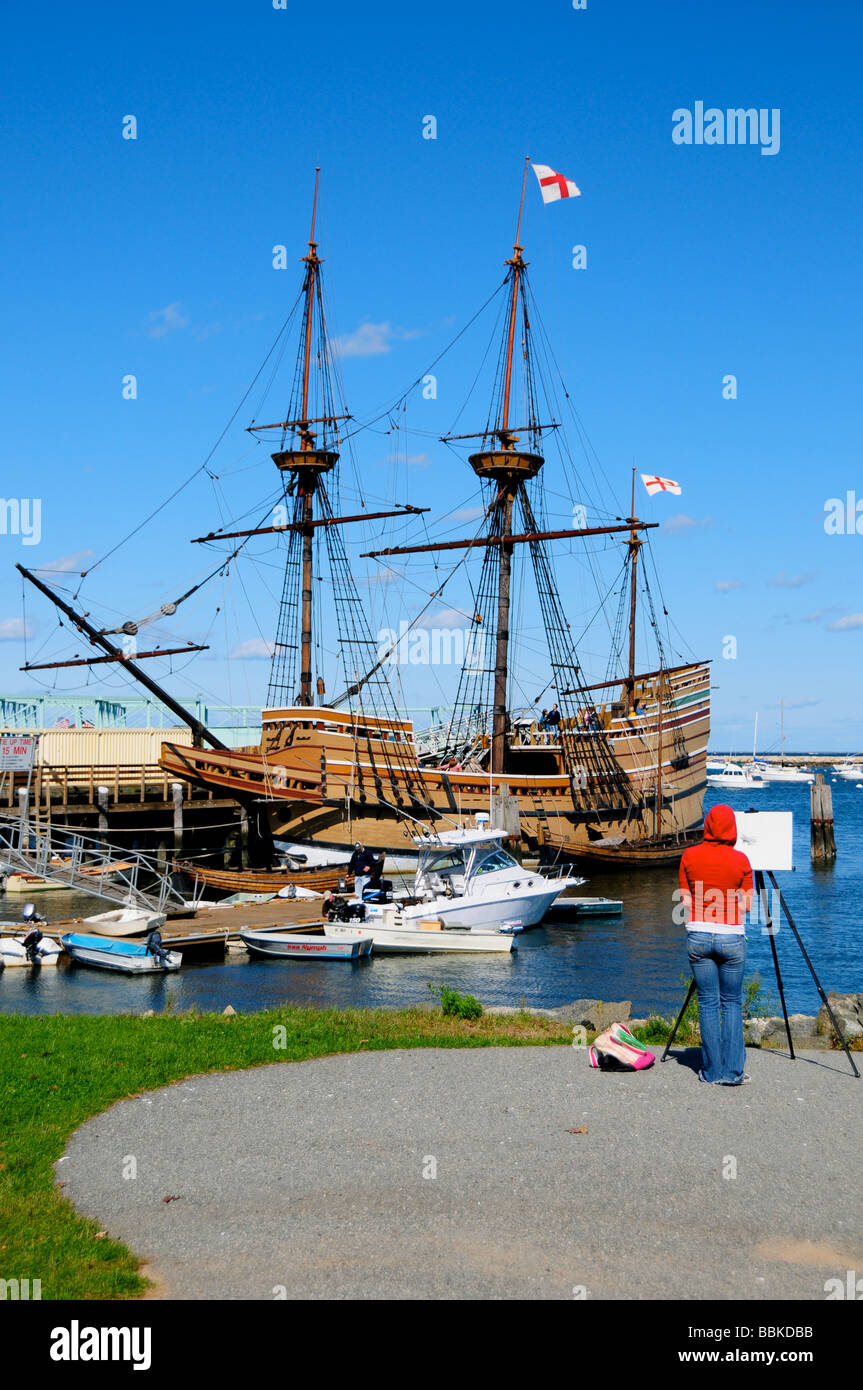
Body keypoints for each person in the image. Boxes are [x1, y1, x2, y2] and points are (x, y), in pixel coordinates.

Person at [678, 804, 754, 1086]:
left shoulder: (689, 856)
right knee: (731, 1003)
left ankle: (710, 1073)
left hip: (698, 935)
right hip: (731, 937)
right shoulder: (742, 861)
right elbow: (747, 907)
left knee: (708, 1003)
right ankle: (733, 1073)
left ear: (707, 826)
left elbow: (685, 902)